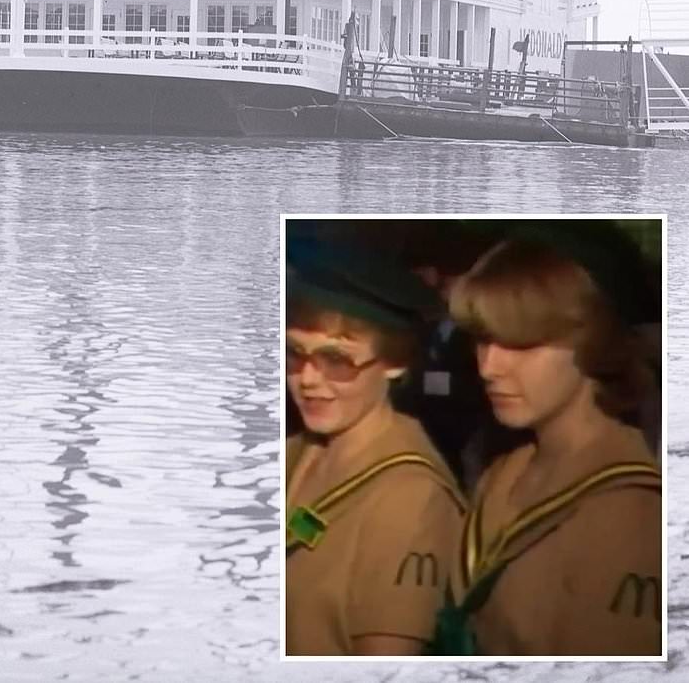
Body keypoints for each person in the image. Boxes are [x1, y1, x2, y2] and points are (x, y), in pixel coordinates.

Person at [432, 232, 662, 656]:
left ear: (595, 340)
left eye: (522, 342)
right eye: (483, 338)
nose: (489, 367)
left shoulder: (633, 510)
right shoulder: (502, 469)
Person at [283, 242, 464, 656]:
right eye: (295, 354)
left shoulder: (411, 498)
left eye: (337, 360)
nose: (308, 379)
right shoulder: (293, 453)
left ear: (394, 362)